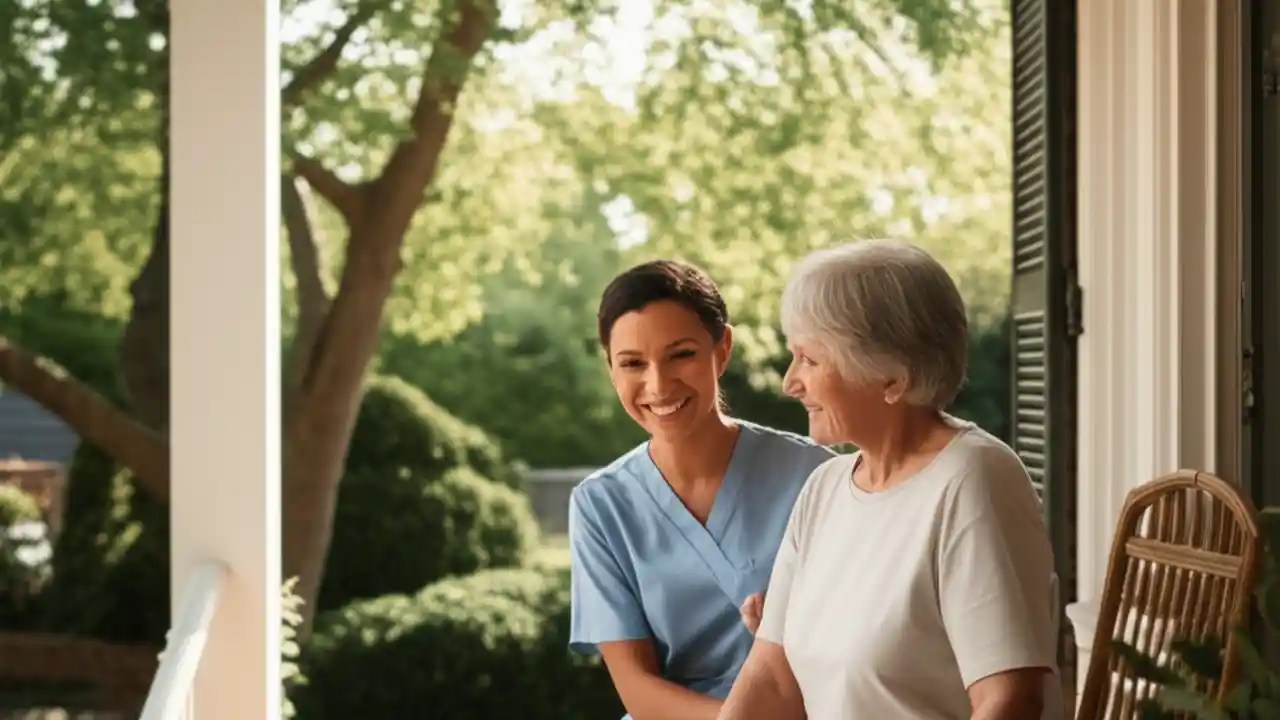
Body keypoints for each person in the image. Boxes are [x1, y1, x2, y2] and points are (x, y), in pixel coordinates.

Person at [719, 240, 1059, 720]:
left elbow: (1008, 701)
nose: (789, 383)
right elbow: (771, 677)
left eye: (810, 360)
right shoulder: (826, 488)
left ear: (892, 380)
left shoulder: (973, 479)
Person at [569, 260, 834, 720]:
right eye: (632, 363)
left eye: (681, 354)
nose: (657, 384)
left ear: (722, 348)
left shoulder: (817, 476)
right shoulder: (600, 505)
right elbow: (637, 689)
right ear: (611, 368)